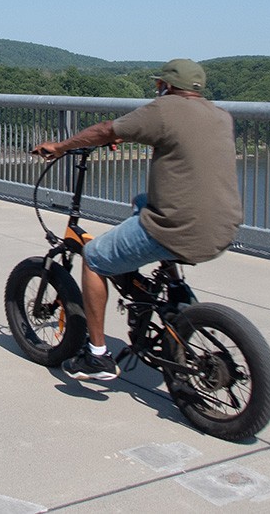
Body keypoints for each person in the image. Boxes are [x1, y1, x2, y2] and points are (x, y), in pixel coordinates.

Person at [31, 59, 242, 382]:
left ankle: (97, 356)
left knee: (95, 256)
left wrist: (60, 147)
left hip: (174, 228)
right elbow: (175, 140)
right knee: (141, 202)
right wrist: (120, 137)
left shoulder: (164, 109)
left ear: (167, 86)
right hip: (224, 226)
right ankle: (172, 286)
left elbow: (105, 130)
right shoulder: (220, 115)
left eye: (160, 85)